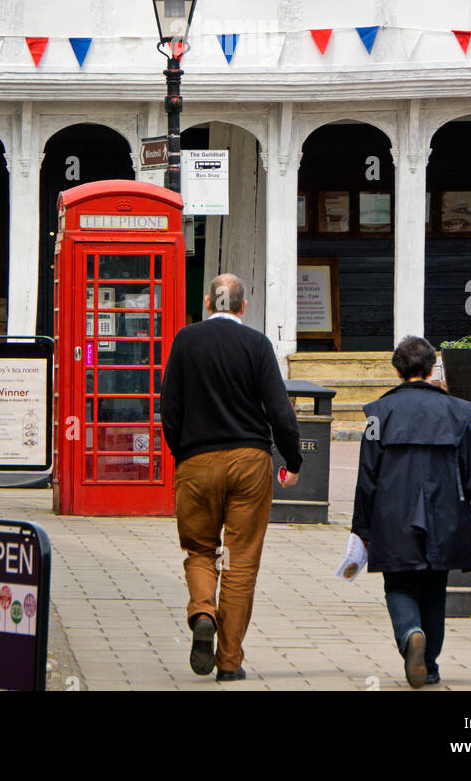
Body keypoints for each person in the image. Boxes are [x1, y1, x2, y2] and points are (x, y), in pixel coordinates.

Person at [160, 272, 303, 682]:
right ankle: (228, 662)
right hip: (250, 461)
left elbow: (169, 405)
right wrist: (292, 460)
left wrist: (182, 453)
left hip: (197, 460)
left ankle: (203, 611)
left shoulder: (186, 340)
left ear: (208, 304)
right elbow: (280, 411)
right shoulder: (257, 344)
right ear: (243, 307)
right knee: (241, 563)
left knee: (200, 550)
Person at [352, 334, 471, 689]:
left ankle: (410, 634)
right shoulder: (456, 412)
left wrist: (362, 528)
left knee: (399, 585)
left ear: (396, 369)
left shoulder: (379, 414)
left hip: (393, 516)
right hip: (444, 514)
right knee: (435, 589)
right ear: (432, 368)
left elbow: (367, 476)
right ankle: (431, 665)